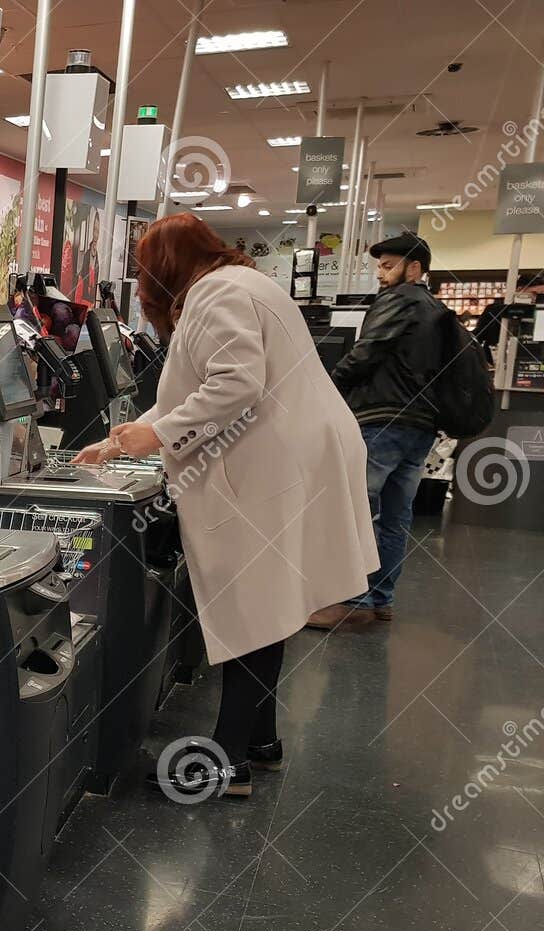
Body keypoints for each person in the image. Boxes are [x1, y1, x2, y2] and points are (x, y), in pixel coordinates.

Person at [73, 213, 377, 801]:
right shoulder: (241, 283)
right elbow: (203, 390)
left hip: (272, 466)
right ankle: (258, 740)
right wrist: (122, 438)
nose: (138, 286)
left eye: (141, 272)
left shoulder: (215, 294)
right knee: (267, 604)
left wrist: (156, 438)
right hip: (291, 455)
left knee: (254, 606)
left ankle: (227, 762)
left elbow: (235, 383)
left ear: (166, 268)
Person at [306, 233, 442, 629]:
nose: (380, 275)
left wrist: (325, 388)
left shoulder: (400, 300)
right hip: (422, 425)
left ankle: (352, 601)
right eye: (379, 266)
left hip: (384, 419)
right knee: (397, 515)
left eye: (388, 266)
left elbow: (366, 353)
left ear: (414, 268)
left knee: (356, 510)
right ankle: (380, 598)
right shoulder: (435, 307)